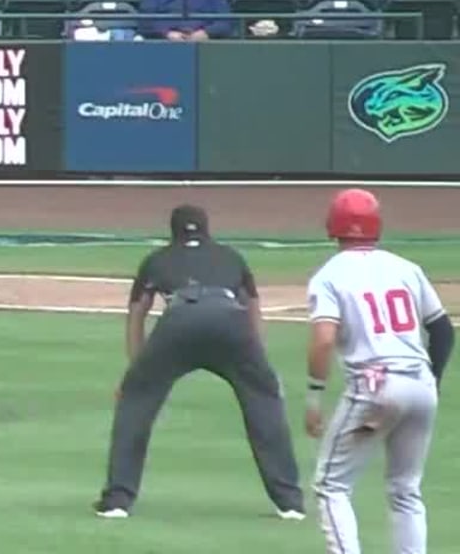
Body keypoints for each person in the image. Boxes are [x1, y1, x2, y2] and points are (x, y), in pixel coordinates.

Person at [94, 206, 304, 520]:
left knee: (135, 404)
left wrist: (135, 375)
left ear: (173, 232)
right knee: (264, 402)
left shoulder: (157, 259)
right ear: (207, 230)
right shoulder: (231, 257)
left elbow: (137, 312)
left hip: (179, 322)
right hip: (231, 324)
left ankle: (117, 502)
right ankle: (290, 504)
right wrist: (260, 366)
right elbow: (253, 307)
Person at [306, 188, 453, 554]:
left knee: (331, 486)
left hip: (374, 387)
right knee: (406, 490)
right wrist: (428, 383)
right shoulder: (406, 268)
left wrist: (313, 396)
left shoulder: (329, 275)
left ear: (333, 227)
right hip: (419, 383)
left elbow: (324, 340)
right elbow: (442, 330)